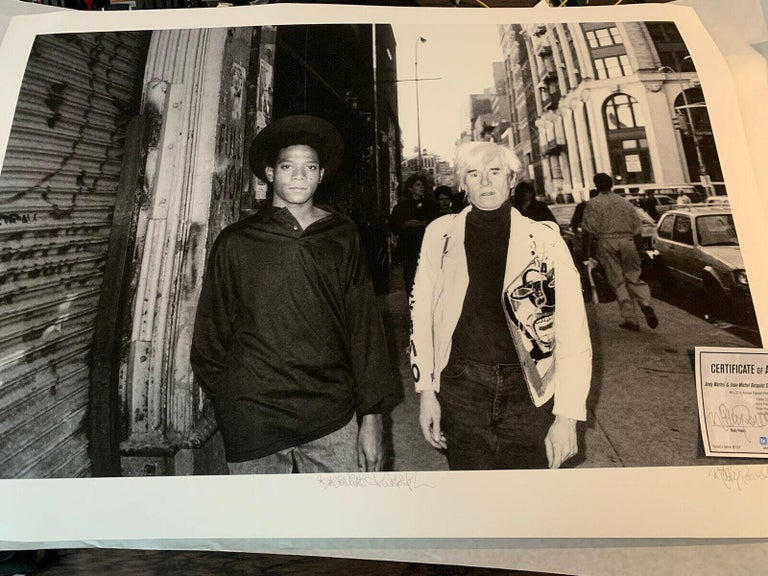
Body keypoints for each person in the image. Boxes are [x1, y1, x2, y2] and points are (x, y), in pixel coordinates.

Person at [190, 115, 394, 474]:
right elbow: (210, 334)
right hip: (254, 414)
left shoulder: (341, 236)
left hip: (330, 411)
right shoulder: (237, 241)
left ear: (321, 174)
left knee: (339, 523)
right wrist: (230, 402)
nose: (299, 176)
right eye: (288, 166)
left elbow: (364, 328)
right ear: (270, 173)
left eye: (309, 167)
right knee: (263, 528)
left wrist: (372, 414)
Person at [409, 141, 592, 470]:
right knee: (473, 502)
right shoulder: (441, 234)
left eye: (495, 172)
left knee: (529, 504)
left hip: (529, 390)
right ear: (462, 185)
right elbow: (420, 314)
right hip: (462, 386)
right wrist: (426, 392)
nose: (485, 182)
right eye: (474, 174)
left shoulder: (545, 239)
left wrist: (567, 416)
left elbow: (573, 329)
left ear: (511, 179)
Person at [581, 173, 659, 332]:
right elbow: (637, 228)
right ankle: (645, 303)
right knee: (634, 275)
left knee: (617, 280)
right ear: (611, 184)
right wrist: (640, 248)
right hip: (628, 241)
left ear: (596, 185)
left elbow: (588, 230)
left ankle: (630, 318)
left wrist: (587, 252)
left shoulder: (593, 204)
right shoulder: (625, 203)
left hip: (606, 241)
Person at [390, 174, 437, 296]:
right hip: (410, 251)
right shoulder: (401, 207)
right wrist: (405, 225)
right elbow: (394, 226)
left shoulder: (431, 205)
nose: (421, 187)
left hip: (428, 249)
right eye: (417, 185)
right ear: (410, 189)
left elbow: (437, 222)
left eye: (422, 185)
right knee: (411, 281)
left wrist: (426, 224)